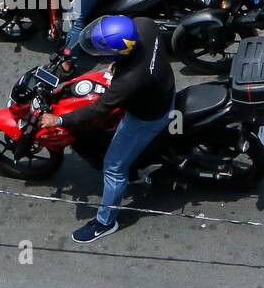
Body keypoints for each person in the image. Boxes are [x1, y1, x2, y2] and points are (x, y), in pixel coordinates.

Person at [37, 15, 175, 244]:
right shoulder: (144, 26)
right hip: (162, 85)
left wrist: (58, 120)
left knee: (113, 168)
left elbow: (99, 109)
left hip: (148, 115)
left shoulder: (129, 81)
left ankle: (105, 222)